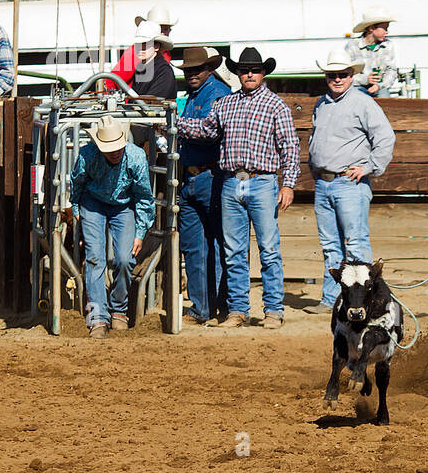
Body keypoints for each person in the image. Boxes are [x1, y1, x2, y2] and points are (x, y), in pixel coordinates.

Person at [176, 47, 300, 329]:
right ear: (237, 73)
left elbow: (290, 147)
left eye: (254, 70)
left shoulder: (275, 105)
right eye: (244, 70)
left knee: (268, 249)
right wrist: (174, 125)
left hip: (262, 181)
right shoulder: (226, 104)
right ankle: (238, 310)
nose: (249, 74)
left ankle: (273, 310)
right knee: (233, 251)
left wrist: (289, 184)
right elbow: (205, 130)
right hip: (231, 180)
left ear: (263, 73)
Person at [304, 49, 395, 314]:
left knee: (354, 243)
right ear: (326, 76)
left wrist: (370, 167)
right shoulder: (322, 104)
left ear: (351, 75)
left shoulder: (363, 102)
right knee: (332, 245)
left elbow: (385, 137)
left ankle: (363, 300)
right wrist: (314, 166)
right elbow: (315, 139)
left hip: (348, 182)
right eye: (332, 75)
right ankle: (332, 299)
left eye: (342, 74)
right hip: (325, 182)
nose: (337, 79)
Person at [68, 116, 156, 338]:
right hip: (92, 202)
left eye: (117, 147)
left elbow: (144, 196)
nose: (115, 152)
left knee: (126, 259)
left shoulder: (135, 156)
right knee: (95, 257)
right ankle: (97, 316)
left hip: (123, 205)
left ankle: (119, 309)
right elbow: (77, 181)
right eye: (110, 149)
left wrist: (140, 231)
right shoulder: (88, 155)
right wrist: (77, 209)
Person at [174, 47, 233, 325]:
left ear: (209, 68)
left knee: (215, 244)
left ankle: (216, 305)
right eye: (188, 70)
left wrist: (176, 124)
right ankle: (204, 307)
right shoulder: (198, 95)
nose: (192, 73)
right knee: (196, 245)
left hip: (210, 176)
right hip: (194, 177)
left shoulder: (217, 93)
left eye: (197, 69)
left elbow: (211, 131)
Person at [345, 11, 399, 97]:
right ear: (371, 28)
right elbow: (345, 74)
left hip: (380, 88)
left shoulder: (388, 45)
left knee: (384, 101)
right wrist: (365, 79)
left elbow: (391, 71)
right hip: (358, 87)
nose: (387, 32)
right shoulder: (352, 45)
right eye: (384, 28)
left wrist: (379, 85)